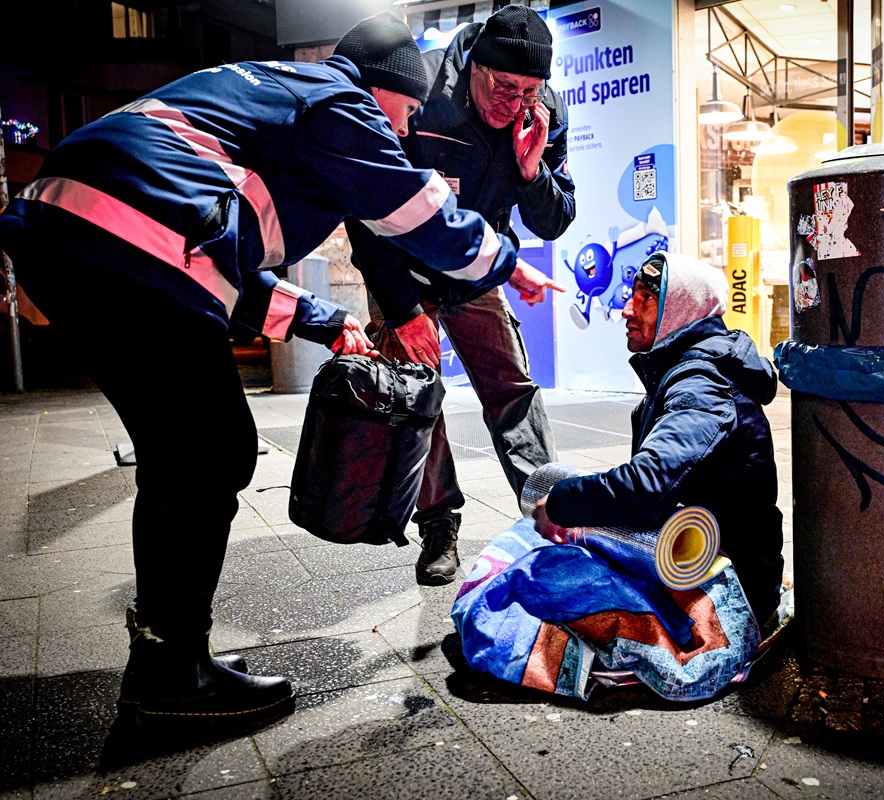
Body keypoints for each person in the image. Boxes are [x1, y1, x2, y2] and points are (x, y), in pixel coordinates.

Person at [0, 11, 523, 727]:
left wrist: (326, 321)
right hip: (130, 246)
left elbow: (208, 253)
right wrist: (506, 260)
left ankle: (168, 651)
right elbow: (411, 210)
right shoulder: (335, 98)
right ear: (384, 88)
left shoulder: (257, 93)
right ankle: (170, 670)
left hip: (68, 236)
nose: (401, 131)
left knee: (174, 454)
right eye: (403, 111)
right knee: (213, 453)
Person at [346, 5, 574, 587]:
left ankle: (550, 512)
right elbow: (366, 210)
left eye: (528, 90)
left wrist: (531, 173)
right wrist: (401, 311)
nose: (514, 103)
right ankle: (439, 525)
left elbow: (554, 222)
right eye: (502, 87)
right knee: (420, 400)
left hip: (476, 269)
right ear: (474, 64)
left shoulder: (543, 111)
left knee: (511, 386)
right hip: (403, 267)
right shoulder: (419, 91)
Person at [532, 252, 785, 625]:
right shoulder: (686, 369)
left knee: (536, 585)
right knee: (555, 491)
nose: (627, 311)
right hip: (700, 559)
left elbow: (648, 484)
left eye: (646, 298)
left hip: (730, 588)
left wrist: (560, 504)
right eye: (631, 296)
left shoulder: (701, 382)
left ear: (682, 308)